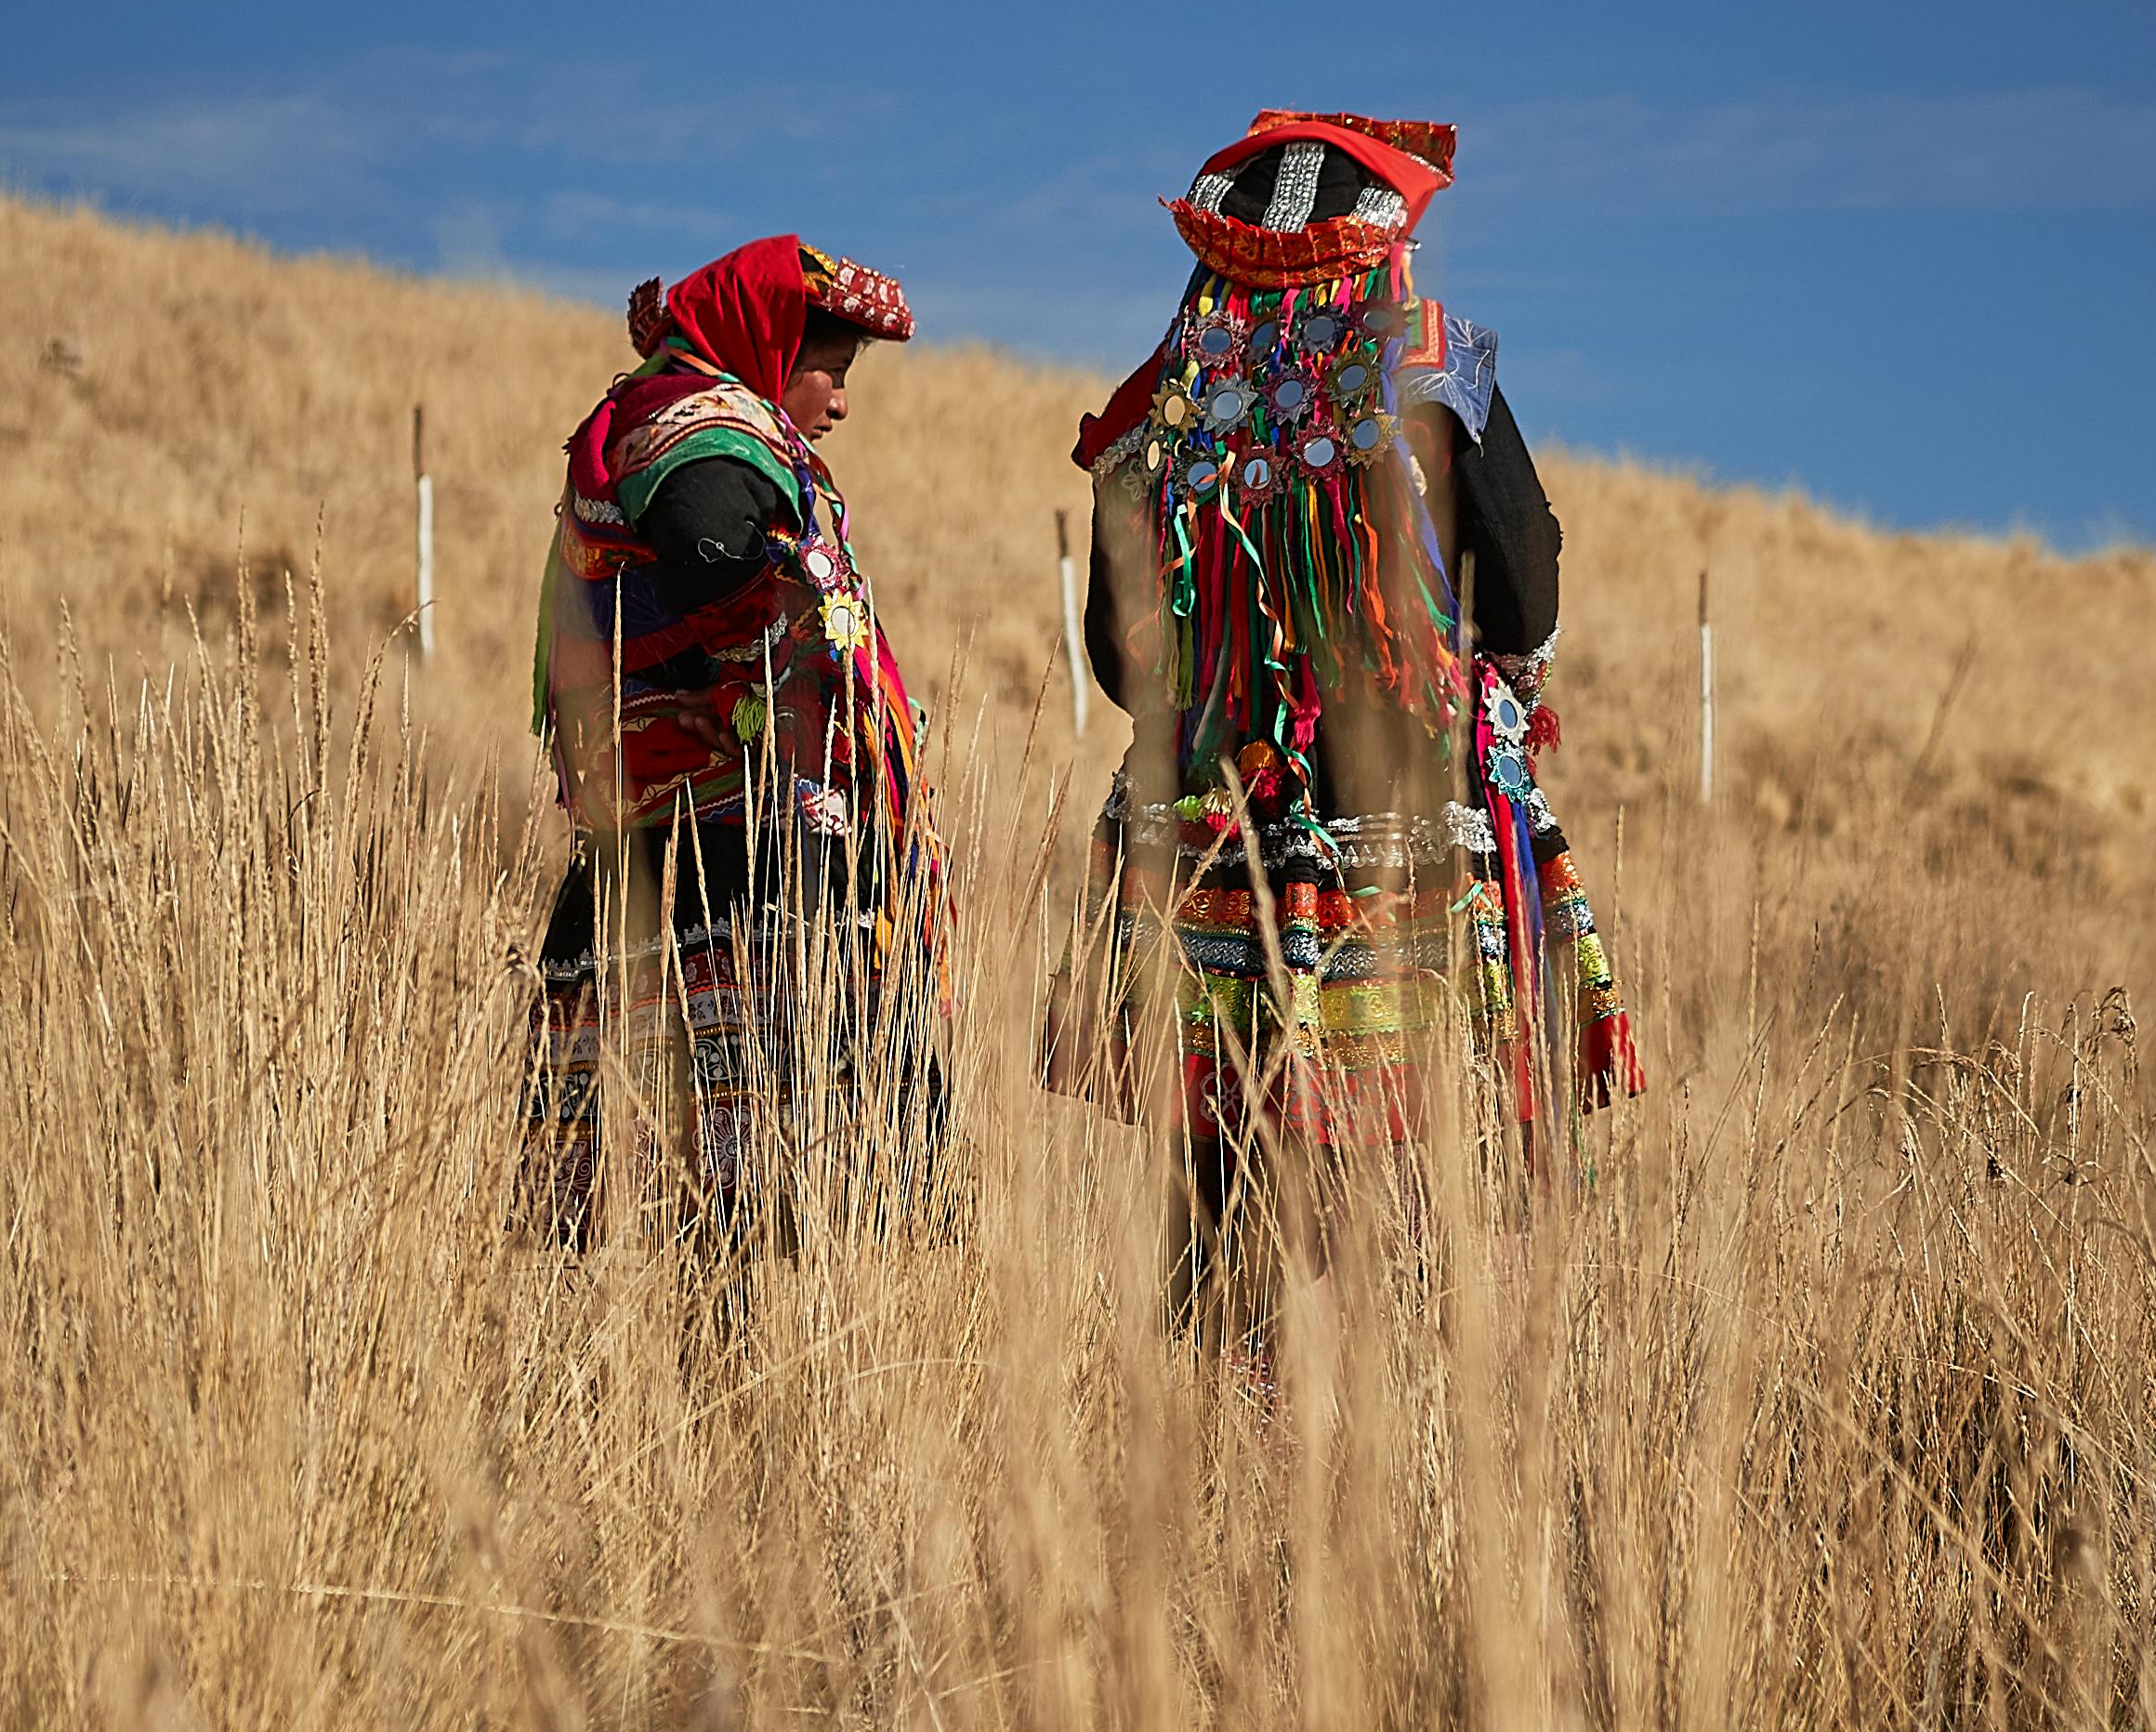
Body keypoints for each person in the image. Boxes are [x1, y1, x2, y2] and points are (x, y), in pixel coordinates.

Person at [1052, 109, 1637, 1304]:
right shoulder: (1426, 355)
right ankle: (1364, 1435)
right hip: (1393, 810)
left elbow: (1119, 664)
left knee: (1214, 1152)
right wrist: (1502, 678)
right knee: (1397, 1148)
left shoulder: (1162, 404)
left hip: (1204, 823)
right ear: (1379, 242)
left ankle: (1214, 1413)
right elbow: (1520, 580)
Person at [521, 234, 952, 1245]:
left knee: (678, 1203)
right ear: (766, 342)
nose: (840, 402)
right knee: (740, 1197)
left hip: (661, 838)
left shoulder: (673, 415)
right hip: (719, 847)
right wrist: (795, 646)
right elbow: (712, 553)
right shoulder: (705, 432)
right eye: (831, 371)